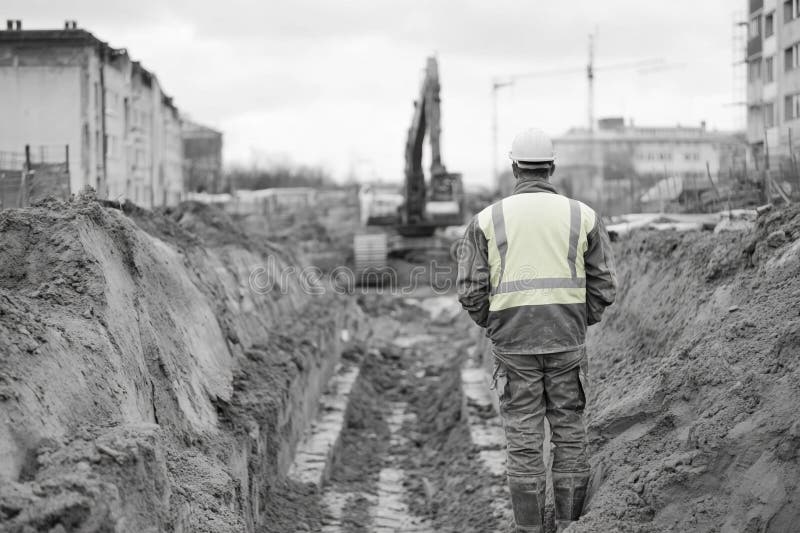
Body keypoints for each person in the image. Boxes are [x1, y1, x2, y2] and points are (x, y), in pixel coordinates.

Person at [456, 128, 617, 533]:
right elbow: (604, 286)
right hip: (566, 339)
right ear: (552, 168)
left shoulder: (486, 220)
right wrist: (579, 320)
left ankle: (529, 529)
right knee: (569, 433)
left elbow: (471, 290)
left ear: (514, 167)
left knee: (524, 440)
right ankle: (568, 524)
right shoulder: (584, 216)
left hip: (514, 344)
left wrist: (495, 325)